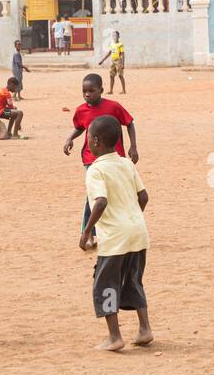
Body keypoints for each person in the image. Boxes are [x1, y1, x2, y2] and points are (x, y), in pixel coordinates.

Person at [80, 115, 153, 352]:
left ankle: (115, 336)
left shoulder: (95, 170)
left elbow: (99, 202)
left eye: (89, 137)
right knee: (133, 280)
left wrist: (86, 232)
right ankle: (145, 329)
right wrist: (132, 216)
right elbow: (143, 197)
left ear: (96, 141)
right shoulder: (126, 164)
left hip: (115, 237)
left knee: (106, 284)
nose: (88, 141)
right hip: (138, 232)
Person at [63, 74, 137, 249]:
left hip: (115, 157)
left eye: (91, 91)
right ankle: (87, 233)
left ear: (101, 90)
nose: (87, 94)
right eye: (84, 91)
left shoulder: (114, 107)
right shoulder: (81, 110)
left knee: (118, 193)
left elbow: (130, 123)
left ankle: (121, 229)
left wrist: (133, 146)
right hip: (92, 158)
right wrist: (69, 138)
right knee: (94, 197)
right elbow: (80, 127)